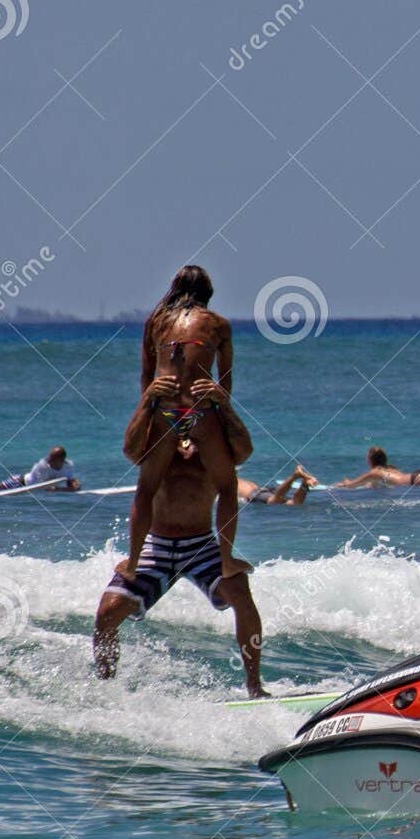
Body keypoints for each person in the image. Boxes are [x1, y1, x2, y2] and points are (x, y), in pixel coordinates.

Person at [95, 399, 266, 695]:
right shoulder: (156, 450)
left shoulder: (215, 453)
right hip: (157, 546)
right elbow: (129, 448)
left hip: (201, 545)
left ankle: (254, 687)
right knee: (107, 613)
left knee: (240, 593)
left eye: (194, 420)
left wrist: (224, 403)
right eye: (179, 420)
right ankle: (105, 688)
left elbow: (245, 450)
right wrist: (149, 400)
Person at [122, 266, 248, 583]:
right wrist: (221, 409)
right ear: (208, 294)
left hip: (164, 408)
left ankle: (133, 563)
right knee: (228, 486)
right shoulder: (219, 324)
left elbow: (146, 376)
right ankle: (226, 560)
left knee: (146, 489)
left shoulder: (156, 321)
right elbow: (226, 379)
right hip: (201, 409)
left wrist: (150, 411)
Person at [239, 466, 318, 506]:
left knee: (273, 501)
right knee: (295, 503)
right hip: (264, 490)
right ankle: (304, 484)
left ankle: (295, 476)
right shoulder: (239, 480)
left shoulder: (230, 482)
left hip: (255, 494)